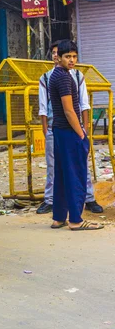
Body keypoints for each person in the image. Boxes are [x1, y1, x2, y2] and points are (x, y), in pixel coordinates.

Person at [37, 41, 103, 214]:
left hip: (66, 128)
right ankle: (65, 210)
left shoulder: (75, 76)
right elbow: (65, 110)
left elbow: (83, 104)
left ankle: (86, 199)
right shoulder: (54, 77)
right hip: (62, 128)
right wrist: (81, 134)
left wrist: (84, 128)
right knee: (59, 168)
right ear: (57, 57)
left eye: (73, 56)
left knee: (75, 167)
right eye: (67, 56)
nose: (71, 60)